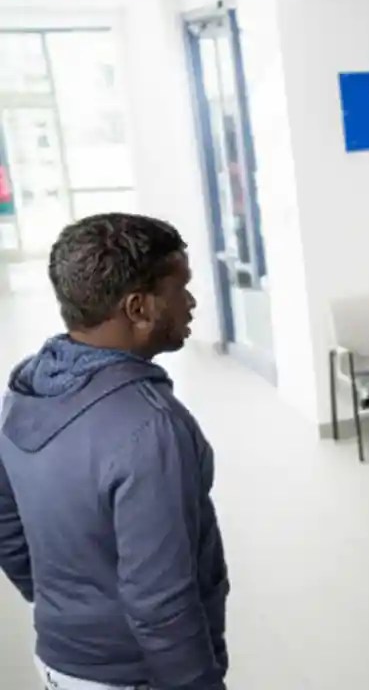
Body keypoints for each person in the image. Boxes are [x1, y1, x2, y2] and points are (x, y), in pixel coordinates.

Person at [0, 214, 229, 689]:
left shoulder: (28, 389)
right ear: (139, 307)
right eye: (180, 287)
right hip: (134, 674)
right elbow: (161, 600)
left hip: (60, 660)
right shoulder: (151, 426)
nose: (190, 302)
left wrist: (69, 607)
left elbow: (6, 526)